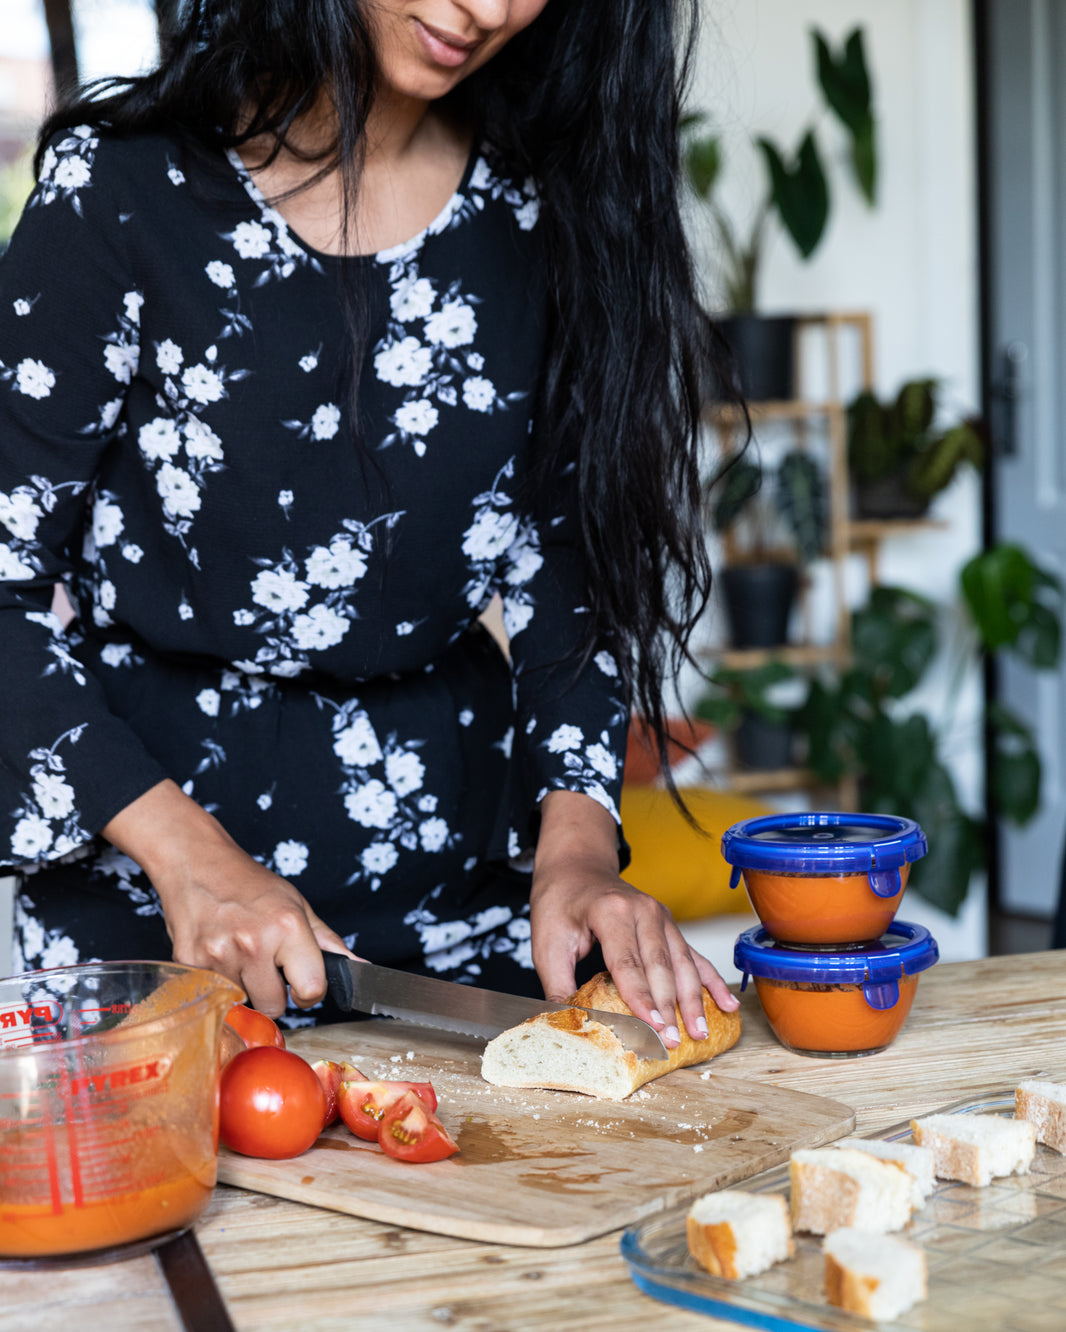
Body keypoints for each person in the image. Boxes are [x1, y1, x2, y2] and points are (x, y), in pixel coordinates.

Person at [0, 0, 741, 1046]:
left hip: (463, 905)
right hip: (153, 911)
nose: (488, 9)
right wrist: (190, 862)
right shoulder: (118, 193)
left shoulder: (545, 207)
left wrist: (577, 855)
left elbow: (567, 560)